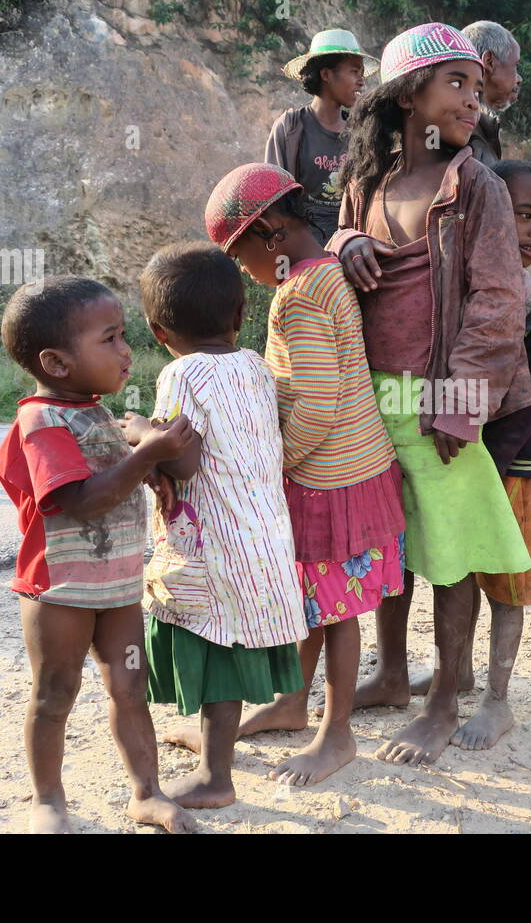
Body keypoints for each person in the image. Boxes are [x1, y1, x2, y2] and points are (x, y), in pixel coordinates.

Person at [328, 23, 531, 766]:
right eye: (457, 84)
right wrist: (339, 244)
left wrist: (462, 398)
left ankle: (446, 699)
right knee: (391, 545)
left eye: (480, 89)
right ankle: (389, 675)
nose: (474, 101)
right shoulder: (366, 186)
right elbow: (333, 273)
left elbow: (500, 300)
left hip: (438, 401)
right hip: (370, 399)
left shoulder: (474, 184)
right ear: (408, 94)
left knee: (450, 556)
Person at [187, 163, 406, 785]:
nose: (244, 273)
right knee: (316, 606)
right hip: (355, 469)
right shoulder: (327, 274)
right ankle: (290, 704)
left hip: (326, 481)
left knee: (334, 614)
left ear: (270, 235)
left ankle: (336, 735)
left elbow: (314, 401)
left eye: (239, 257)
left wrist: (270, 465)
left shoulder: (300, 294)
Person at [0, 275, 196, 834]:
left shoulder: (99, 412)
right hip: (61, 592)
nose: (126, 350)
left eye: (123, 335)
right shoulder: (42, 419)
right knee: (55, 693)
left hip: (118, 592)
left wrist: (155, 459)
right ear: (56, 363)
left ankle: (147, 793)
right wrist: (145, 455)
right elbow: (80, 502)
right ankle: (48, 802)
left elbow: (135, 474)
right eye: (109, 338)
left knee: (129, 687)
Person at [121, 242, 310, 807]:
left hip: (216, 550)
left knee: (218, 660)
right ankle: (211, 747)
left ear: (157, 331)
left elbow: (183, 460)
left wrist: (139, 433)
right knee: (230, 648)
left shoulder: (181, 375)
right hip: (262, 541)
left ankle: (216, 777)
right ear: (239, 316)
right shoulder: (254, 364)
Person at [434, 159, 531, 749]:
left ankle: (498, 700)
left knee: (507, 587)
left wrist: (482, 454)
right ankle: (455, 676)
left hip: (514, 467)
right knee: (457, 569)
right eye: (524, 213)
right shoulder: (465, 285)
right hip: (463, 456)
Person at [265, 29, 378, 245]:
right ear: (326, 75)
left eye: (362, 73)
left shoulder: (361, 131)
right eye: (354, 72)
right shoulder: (290, 128)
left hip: (351, 248)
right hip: (303, 251)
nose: (361, 81)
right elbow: (273, 200)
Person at [461, 21, 521, 166]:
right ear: (489, 61)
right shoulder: (463, 128)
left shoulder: (478, 126)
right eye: (515, 66)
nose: (519, 79)